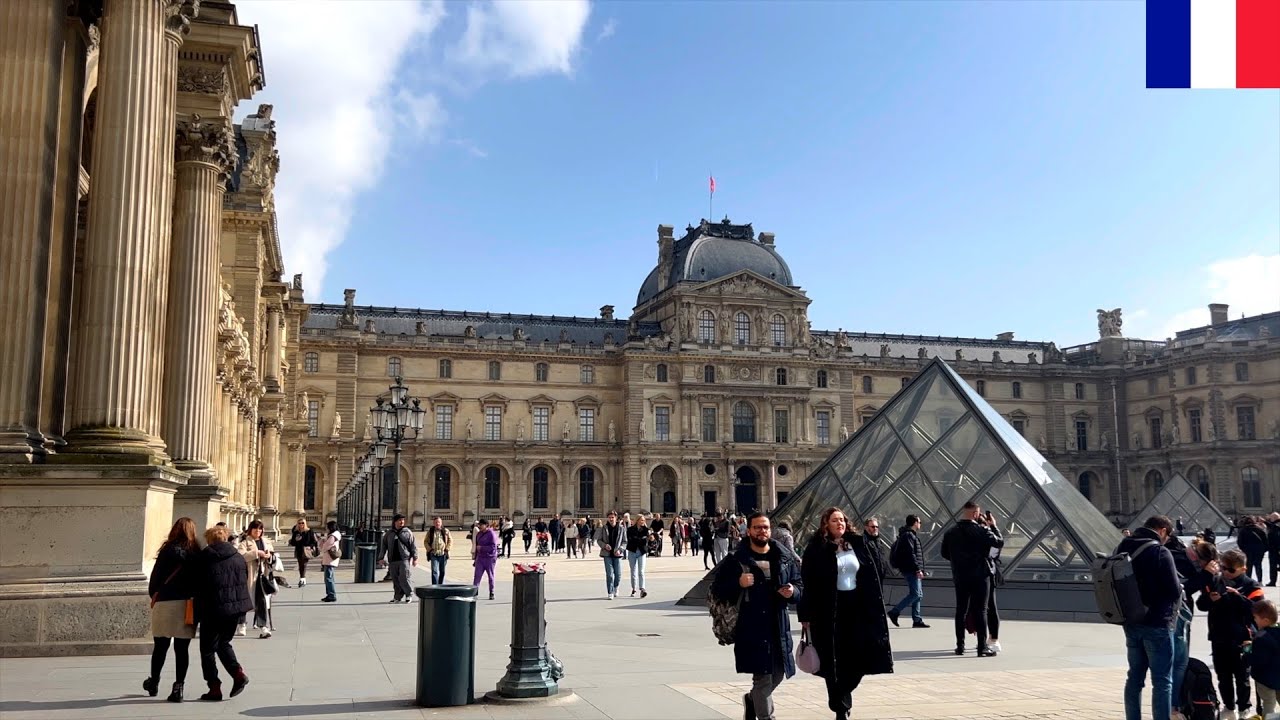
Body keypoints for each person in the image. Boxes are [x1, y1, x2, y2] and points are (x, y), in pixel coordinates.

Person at [799, 507, 893, 720]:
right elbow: (809, 583)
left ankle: (844, 693)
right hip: (827, 609)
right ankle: (840, 706)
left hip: (856, 607)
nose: (839, 523)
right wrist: (805, 616)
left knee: (856, 657)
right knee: (832, 659)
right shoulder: (817, 548)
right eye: (834, 520)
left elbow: (876, 571)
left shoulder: (858, 544)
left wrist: (874, 542)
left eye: (842, 519)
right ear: (826, 524)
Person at [711, 512, 802, 720]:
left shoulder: (784, 557)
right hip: (751, 627)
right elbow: (717, 589)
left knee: (778, 674)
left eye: (766, 527)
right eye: (758, 527)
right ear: (748, 530)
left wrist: (793, 591)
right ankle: (766, 716)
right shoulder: (736, 560)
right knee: (763, 679)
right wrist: (738, 583)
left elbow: (799, 585)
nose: (763, 531)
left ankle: (752, 700)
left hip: (778, 625)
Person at [1117, 515, 1183, 720]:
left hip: (1131, 621)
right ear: (1162, 530)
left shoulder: (1122, 547)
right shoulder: (1159, 551)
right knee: (1162, 680)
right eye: (1168, 535)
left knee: (1134, 677)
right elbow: (1174, 591)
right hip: (1157, 623)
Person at [1198, 547, 1265, 718]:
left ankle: (1244, 707)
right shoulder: (1216, 581)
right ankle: (1228, 706)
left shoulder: (1252, 585)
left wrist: (1237, 597)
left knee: (1242, 676)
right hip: (1219, 636)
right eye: (1223, 568)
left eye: (1231, 569)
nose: (1226, 572)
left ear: (1243, 568)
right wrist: (1209, 599)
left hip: (1242, 638)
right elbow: (1201, 605)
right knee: (1223, 675)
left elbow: (1257, 610)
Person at [194, 525, 253, 702]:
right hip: (234, 609)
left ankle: (214, 687)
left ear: (210, 540)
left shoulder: (205, 557)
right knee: (224, 643)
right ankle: (238, 673)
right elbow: (243, 582)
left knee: (207, 649)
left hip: (212, 609)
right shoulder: (237, 557)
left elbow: (198, 585)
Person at [144, 517, 199, 703]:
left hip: (166, 602)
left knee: (160, 646)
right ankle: (178, 687)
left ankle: (154, 681)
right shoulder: (196, 552)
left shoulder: (167, 550)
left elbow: (156, 576)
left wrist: (155, 594)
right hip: (186, 604)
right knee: (182, 649)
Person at [940, 502, 1003, 657]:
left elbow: (944, 553)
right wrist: (993, 526)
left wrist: (959, 561)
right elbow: (999, 542)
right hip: (980, 575)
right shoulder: (981, 530)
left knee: (960, 610)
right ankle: (982, 646)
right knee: (981, 610)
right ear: (975, 513)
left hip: (960, 575)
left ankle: (960, 646)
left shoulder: (951, 532)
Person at [887, 514, 929, 629]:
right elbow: (911, 554)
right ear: (915, 522)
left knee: (918, 595)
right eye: (919, 522)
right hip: (911, 569)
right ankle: (895, 611)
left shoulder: (909, 535)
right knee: (915, 594)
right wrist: (917, 569)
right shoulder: (908, 535)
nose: (920, 524)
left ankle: (917, 619)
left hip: (912, 569)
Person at [236, 520, 274, 638]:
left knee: (261, 601)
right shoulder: (244, 542)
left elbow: (272, 556)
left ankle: (263, 626)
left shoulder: (266, 542)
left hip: (261, 575)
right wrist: (257, 553)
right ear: (250, 529)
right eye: (255, 529)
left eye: (260, 529)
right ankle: (241, 623)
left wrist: (269, 556)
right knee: (244, 600)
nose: (258, 531)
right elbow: (240, 556)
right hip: (248, 575)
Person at [1248, 599, 1280, 719]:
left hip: (1265, 679)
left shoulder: (1260, 637)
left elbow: (1258, 661)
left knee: (1268, 704)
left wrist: (1247, 656)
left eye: (1256, 618)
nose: (1255, 621)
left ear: (1265, 620)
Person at [379, 514, 418, 603]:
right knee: (395, 579)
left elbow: (413, 546)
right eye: (400, 520)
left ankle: (409, 594)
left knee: (404, 577)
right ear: (395, 522)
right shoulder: (389, 533)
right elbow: (384, 546)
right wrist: (381, 558)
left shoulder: (407, 532)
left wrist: (415, 558)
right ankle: (397, 596)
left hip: (404, 558)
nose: (402, 522)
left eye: (403, 520)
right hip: (392, 560)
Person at [596, 511, 626, 599]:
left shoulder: (621, 528)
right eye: (609, 517)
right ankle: (610, 591)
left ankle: (616, 586)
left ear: (616, 518)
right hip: (607, 554)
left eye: (612, 517)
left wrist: (620, 550)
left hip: (617, 554)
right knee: (609, 574)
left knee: (618, 574)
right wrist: (605, 545)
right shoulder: (603, 528)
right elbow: (599, 540)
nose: (611, 519)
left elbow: (625, 541)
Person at [471, 518, 499, 600]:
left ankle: (492, 592)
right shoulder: (479, 534)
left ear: (486, 525)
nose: (479, 526)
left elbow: (493, 547)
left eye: (481, 525)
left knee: (490, 575)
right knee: (477, 575)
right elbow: (477, 547)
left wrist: (482, 548)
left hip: (490, 558)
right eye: (479, 525)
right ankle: (474, 592)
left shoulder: (491, 534)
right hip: (480, 557)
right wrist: (475, 558)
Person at [287, 517, 318, 588]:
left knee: (304, 564)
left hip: (306, 550)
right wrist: (296, 540)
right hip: (299, 550)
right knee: (300, 564)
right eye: (299, 523)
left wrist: (310, 546)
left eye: (302, 523)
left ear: (305, 524)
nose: (301, 525)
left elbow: (313, 541)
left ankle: (302, 579)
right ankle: (303, 579)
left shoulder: (309, 531)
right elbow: (293, 542)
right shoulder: (296, 532)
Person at [626, 514, 652, 598]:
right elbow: (631, 539)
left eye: (644, 520)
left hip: (641, 552)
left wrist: (647, 538)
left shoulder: (646, 530)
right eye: (642, 520)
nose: (643, 522)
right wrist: (642, 539)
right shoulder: (630, 530)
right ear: (637, 520)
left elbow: (647, 540)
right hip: (632, 551)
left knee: (641, 571)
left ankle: (642, 589)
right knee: (633, 571)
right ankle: (634, 588)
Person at [1239, 517, 1269, 584]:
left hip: (1248, 551)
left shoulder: (1243, 530)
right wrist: (1263, 550)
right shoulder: (1259, 530)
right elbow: (1266, 541)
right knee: (1258, 566)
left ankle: (1247, 581)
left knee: (1248, 566)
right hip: (1259, 551)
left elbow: (1240, 542)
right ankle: (1260, 581)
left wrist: (1244, 550)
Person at [317, 521, 341, 602]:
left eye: (327, 527)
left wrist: (321, 542)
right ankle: (329, 594)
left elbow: (324, 548)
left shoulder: (332, 536)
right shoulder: (333, 536)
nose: (326, 529)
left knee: (328, 578)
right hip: (329, 559)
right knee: (329, 577)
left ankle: (331, 595)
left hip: (329, 560)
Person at [426, 516, 451, 584]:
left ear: (441, 523)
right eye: (436, 522)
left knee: (442, 572)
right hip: (434, 554)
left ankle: (441, 585)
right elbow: (426, 541)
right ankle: (435, 586)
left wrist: (447, 549)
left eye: (439, 522)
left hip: (443, 554)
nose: (437, 524)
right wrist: (429, 549)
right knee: (434, 571)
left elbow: (450, 540)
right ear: (434, 523)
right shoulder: (430, 531)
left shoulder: (446, 531)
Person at [1266, 512, 1280, 587]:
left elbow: (1276, 537)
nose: (1270, 519)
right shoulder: (1275, 525)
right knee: (1273, 566)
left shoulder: (1276, 526)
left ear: (1274, 518)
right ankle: (1272, 581)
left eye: (1271, 518)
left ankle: (1272, 581)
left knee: (1273, 566)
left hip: (1275, 549)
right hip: (1275, 549)